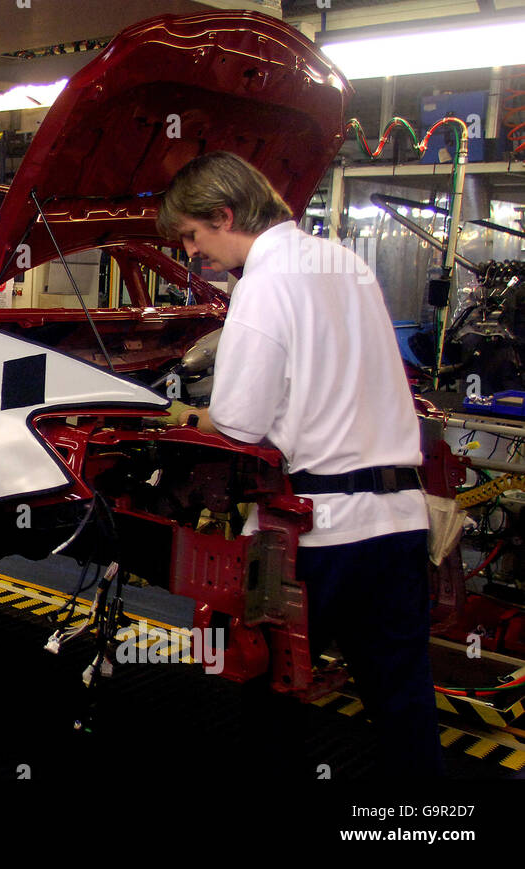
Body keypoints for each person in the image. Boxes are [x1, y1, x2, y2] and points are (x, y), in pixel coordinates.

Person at [156, 151, 441, 778]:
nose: (192, 252)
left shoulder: (262, 283)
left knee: (276, 696)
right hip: (398, 521)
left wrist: (180, 418)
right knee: (403, 702)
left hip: (315, 536)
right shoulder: (345, 262)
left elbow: (238, 425)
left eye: (192, 235)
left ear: (223, 214)